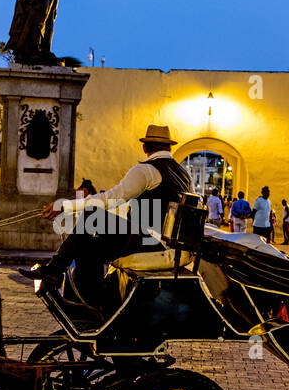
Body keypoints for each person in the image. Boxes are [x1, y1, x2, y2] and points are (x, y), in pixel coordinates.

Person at [18, 124, 191, 308]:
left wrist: (65, 206)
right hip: (164, 243)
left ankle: (55, 271)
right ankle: (97, 305)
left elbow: (110, 198)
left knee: (93, 215)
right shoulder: (183, 174)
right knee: (86, 247)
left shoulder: (146, 170)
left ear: (145, 147)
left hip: (149, 242)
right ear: (169, 147)